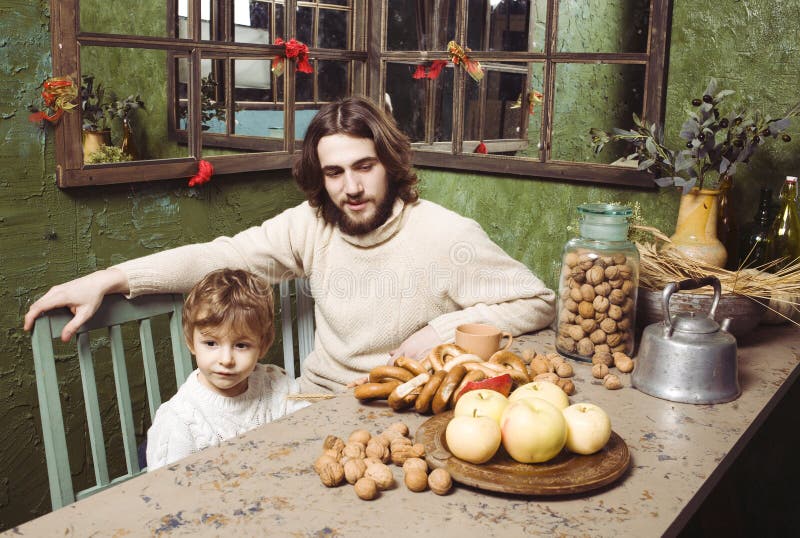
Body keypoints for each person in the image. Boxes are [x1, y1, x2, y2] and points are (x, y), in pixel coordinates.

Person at [24, 96, 556, 393]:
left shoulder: (446, 235)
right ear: (319, 177)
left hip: (406, 410)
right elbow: (222, 254)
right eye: (334, 172)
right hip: (312, 407)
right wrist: (110, 277)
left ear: (390, 164)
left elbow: (537, 300)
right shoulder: (312, 224)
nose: (350, 188)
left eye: (364, 167)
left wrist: (439, 331)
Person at [146, 268, 309, 470]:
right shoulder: (178, 421)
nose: (226, 360)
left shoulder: (277, 385)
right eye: (211, 343)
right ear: (190, 341)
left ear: (263, 345)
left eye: (241, 345)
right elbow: (165, 490)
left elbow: (310, 431)